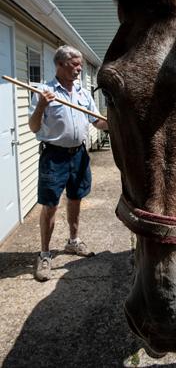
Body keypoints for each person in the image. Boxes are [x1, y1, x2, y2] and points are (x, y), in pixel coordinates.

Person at [28, 45, 108, 281]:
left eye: (80, 64)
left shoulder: (83, 93)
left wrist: (116, 120)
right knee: (50, 205)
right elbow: (34, 127)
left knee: (75, 199)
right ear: (60, 65)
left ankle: (73, 241)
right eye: (75, 64)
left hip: (79, 155)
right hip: (54, 156)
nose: (79, 68)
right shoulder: (44, 92)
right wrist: (42, 105)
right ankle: (44, 254)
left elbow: (97, 123)